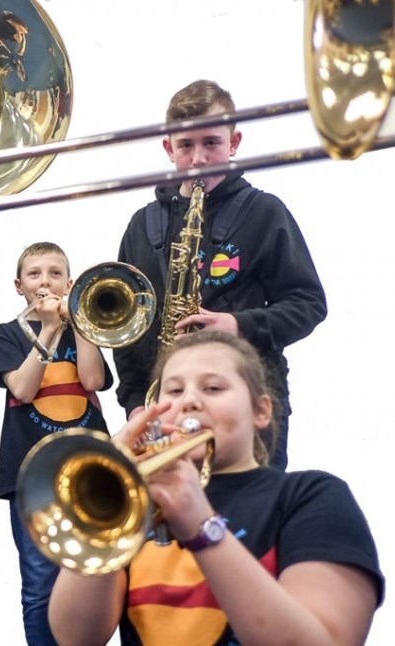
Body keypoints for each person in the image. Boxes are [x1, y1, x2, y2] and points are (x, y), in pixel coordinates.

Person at [48, 330, 384, 645]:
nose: (189, 401)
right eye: (175, 390)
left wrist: (200, 526)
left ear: (260, 411)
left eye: (213, 388)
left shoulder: (310, 496)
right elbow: (76, 636)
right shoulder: (136, 505)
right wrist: (103, 510)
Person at [112, 79, 327, 470]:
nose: (198, 159)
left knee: (252, 525)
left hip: (249, 404)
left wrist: (237, 324)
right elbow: (124, 328)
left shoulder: (265, 213)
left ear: (234, 142)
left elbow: (309, 304)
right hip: (164, 414)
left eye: (211, 143)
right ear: (167, 147)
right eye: (185, 146)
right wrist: (133, 405)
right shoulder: (141, 225)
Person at [0, 241, 114, 646]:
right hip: (32, 477)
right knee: (40, 582)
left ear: (71, 282)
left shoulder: (85, 328)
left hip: (91, 472)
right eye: (35, 274)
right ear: (18, 285)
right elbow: (23, 389)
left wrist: (79, 322)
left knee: (97, 576)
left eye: (55, 273)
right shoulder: (7, 334)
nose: (45, 281)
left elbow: (93, 381)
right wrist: (48, 328)